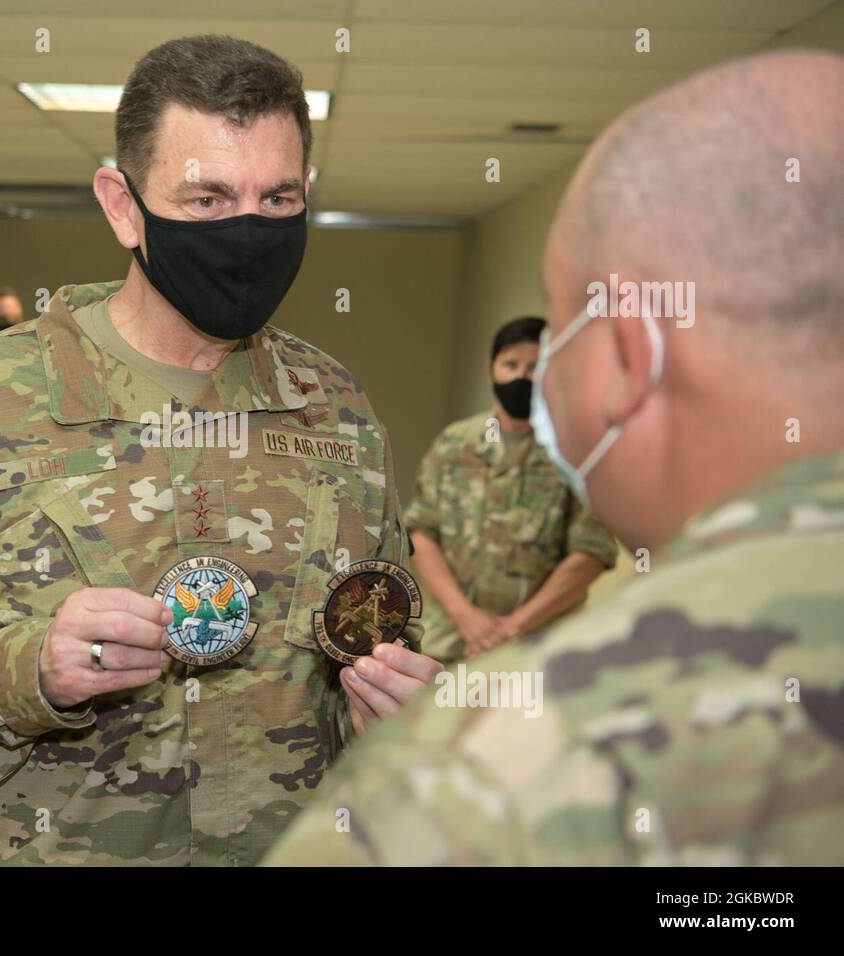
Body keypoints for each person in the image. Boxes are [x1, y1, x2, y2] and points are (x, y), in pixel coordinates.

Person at [0, 34, 440, 866]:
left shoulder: (335, 409)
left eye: (279, 199)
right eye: (208, 200)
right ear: (122, 205)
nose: (248, 232)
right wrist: (24, 665)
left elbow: (376, 630)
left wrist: (395, 713)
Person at [265, 48, 844, 866]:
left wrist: (456, 743)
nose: (539, 382)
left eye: (563, 334)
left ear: (628, 356)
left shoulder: (497, 776)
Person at [404, 316, 618, 663]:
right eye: (511, 365)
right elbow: (421, 534)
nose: (521, 376)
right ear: (491, 369)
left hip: (541, 654)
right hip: (449, 644)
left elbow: (591, 552)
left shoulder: (575, 451)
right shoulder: (454, 444)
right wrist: (467, 619)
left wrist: (512, 629)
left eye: (534, 366)